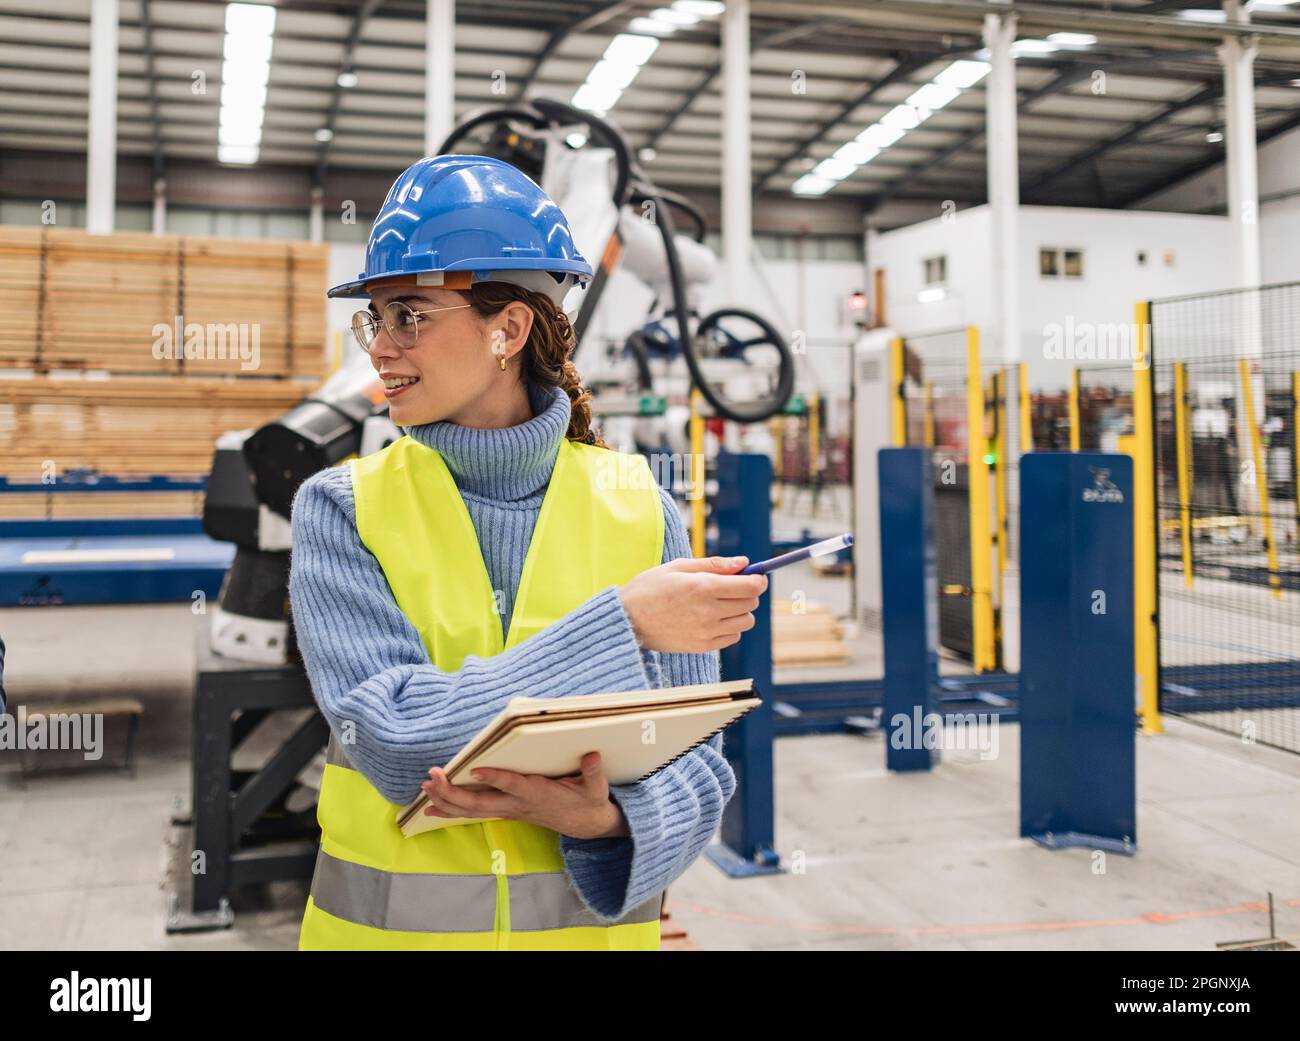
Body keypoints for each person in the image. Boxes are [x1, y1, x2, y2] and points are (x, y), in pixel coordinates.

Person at [288, 154, 767, 950]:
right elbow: (395, 741)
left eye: (410, 314)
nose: (380, 347)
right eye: (375, 318)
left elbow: (697, 774)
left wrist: (607, 819)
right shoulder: (343, 509)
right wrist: (624, 626)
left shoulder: (641, 506)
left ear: (507, 328)